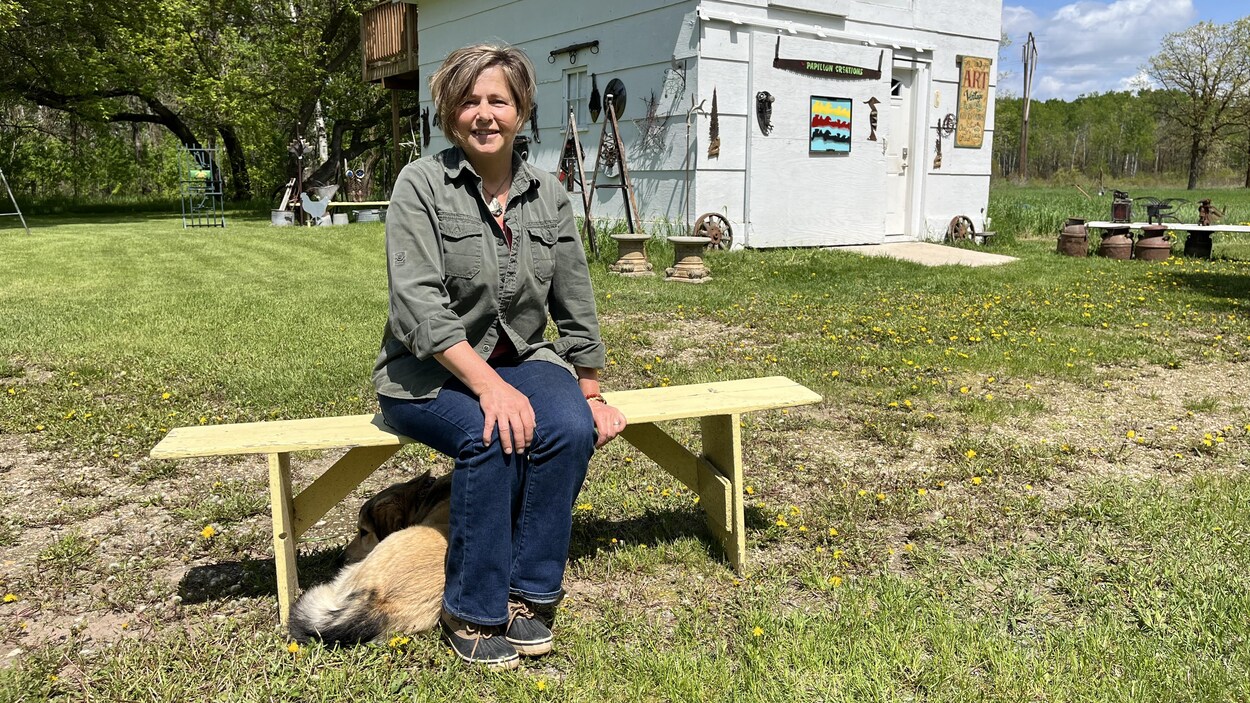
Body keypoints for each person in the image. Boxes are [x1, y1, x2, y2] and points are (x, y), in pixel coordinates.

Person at [372, 43, 627, 670]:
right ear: (449, 113)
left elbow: (575, 295)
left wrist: (590, 389)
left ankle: (528, 593)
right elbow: (418, 305)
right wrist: (489, 387)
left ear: (521, 110)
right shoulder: (421, 185)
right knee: (492, 435)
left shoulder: (549, 194)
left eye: (498, 100)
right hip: (426, 372)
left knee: (567, 427)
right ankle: (472, 607)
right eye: (469, 101)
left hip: (522, 359)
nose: (484, 114)